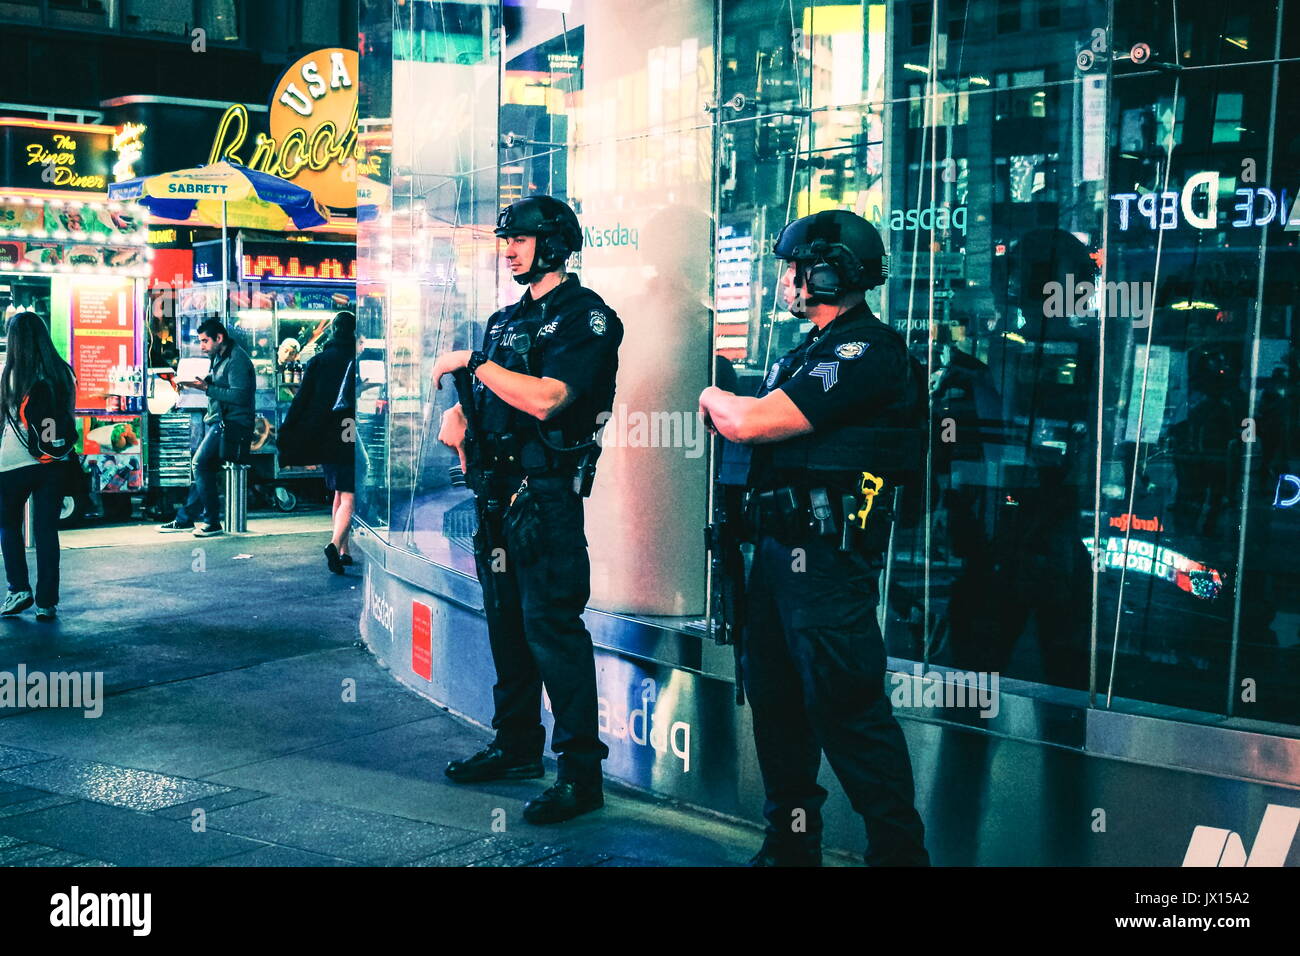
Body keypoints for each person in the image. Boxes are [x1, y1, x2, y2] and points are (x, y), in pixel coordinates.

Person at [698, 209, 930, 867]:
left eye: (794, 268)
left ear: (828, 272)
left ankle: (900, 856)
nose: (785, 280)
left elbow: (752, 423)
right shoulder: (810, 351)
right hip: (776, 557)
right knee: (777, 705)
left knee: (847, 711)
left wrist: (716, 399)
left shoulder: (866, 352)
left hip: (828, 565)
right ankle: (791, 843)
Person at [433, 195, 622, 824]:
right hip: (494, 497)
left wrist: (475, 365)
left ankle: (579, 776)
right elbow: (490, 403)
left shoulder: (586, 318)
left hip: (546, 501)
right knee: (507, 630)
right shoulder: (505, 320)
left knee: (554, 634)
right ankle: (516, 746)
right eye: (505, 239)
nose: (509, 249)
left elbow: (548, 400)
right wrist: (461, 416)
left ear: (554, 244)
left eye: (520, 239)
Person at [0, 311, 77, 621]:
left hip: (13, 463)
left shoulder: (10, 374)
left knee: (8, 525)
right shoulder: (63, 372)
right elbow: (69, 417)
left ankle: (18, 588)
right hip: (55, 461)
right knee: (47, 531)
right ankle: (47, 601)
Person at [160, 317, 255, 537]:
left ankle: (211, 522)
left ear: (219, 338)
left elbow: (240, 396)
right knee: (203, 467)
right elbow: (218, 380)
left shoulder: (237, 359)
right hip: (217, 420)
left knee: (200, 463)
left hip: (231, 422)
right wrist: (198, 382)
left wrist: (206, 388)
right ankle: (186, 518)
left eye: (204, 341)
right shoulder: (220, 356)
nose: (202, 346)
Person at [278, 311, 357, 574]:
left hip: (326, 436)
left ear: (333, 331)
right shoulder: (356, 361)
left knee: (338, 491)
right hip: (350, 433)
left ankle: (345, 550)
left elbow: (301, 401)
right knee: (350, 495)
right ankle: (335, 545)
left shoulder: (318, 361)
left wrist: (288, 432)